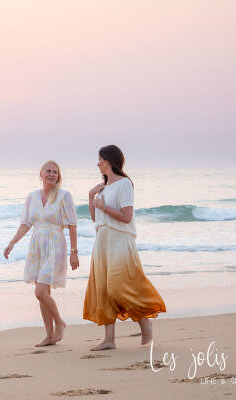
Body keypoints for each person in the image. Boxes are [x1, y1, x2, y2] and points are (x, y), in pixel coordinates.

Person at [83, 145, 166, 350]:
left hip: (119, 239)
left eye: (100, 159)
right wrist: (91, 197)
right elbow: (96, 219)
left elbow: (126, 217)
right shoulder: (103, 187)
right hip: (102, 238)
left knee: (119, 286)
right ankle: (109, 339)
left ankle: (145, 322)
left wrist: (104, 207)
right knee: (103, 288)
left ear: (109, 160)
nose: (97, 163)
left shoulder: (124, 184)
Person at [4, 161, 79, 347]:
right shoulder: (32, 196)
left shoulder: (64, 196)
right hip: (37, 246)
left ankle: (60, 322)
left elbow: (72, 225)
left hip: (55, 246)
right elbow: (26, 223)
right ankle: (49, 335)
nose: (52, 174)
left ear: (58, 177)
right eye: (48, 171)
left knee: (40, 292)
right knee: (42, 292)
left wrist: (74, 252)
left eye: (55, 172)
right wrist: (12, 242)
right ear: (41, 174)